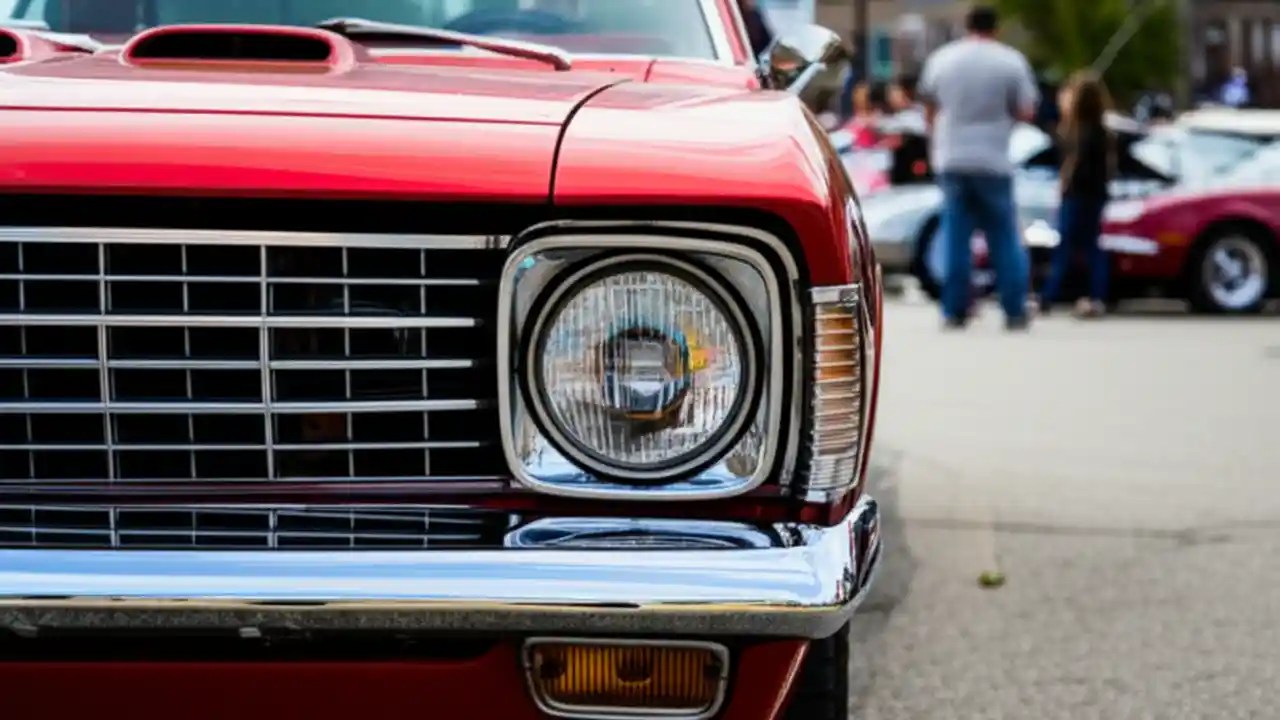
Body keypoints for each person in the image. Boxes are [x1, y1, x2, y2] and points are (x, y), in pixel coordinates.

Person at [917, 5, 1039, 330]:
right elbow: (1026, 110)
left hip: (952, 158)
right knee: (1003, 237)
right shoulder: (1010, 61)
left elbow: (928, 109)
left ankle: (954, 309)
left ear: (966, 26)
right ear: (995, 28)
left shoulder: (942, 60)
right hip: (994, 160)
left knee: (957, 237)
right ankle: (1014, 308)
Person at [1033, 71, 1116, 318]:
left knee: (1065, 247)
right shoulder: (1102, 132)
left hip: (1077, 196)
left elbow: (1072, 163)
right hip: (1096, 195)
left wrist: (1064, 185)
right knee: (1092, 247)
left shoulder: (1077, 133)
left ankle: (1048, 296)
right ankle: (1096, 296)